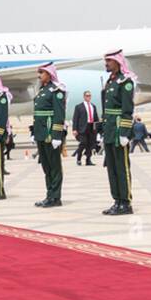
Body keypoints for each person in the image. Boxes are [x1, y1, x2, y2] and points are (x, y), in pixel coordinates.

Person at [101, 50, 136, 215]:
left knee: (122, 167)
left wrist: (124, 131)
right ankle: (117, 200)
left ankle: (126, 202)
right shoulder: (111, 81)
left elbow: (127, 109)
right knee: (112, 168)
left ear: (117, 62)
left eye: (109, 61)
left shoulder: (125, 82)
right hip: (109, 129)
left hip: (118, 129)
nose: (106, 64)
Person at [32, 63, 68, 207]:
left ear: (49, 74)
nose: (39, 75)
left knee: (54, 166)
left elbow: (59, 114)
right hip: (41, 133)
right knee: (46, 166)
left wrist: (57, 135)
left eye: (42, 72)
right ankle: (49, 194)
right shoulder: (42, 90)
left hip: (50, 133)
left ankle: (56, 197)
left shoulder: (56, 91)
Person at [72, 91, 99, 166]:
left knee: (90, 144)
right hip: (82, 128)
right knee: (83, 143)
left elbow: (96, 118)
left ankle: (88, 160)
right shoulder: (79, 106)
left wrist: (98, 128)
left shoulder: (93, 106)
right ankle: (78, 158)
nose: (88, 97)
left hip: (91, 127)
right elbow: (75, 118)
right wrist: (74, 129)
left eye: (90, 96)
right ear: (84, 96)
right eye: (87, 95)